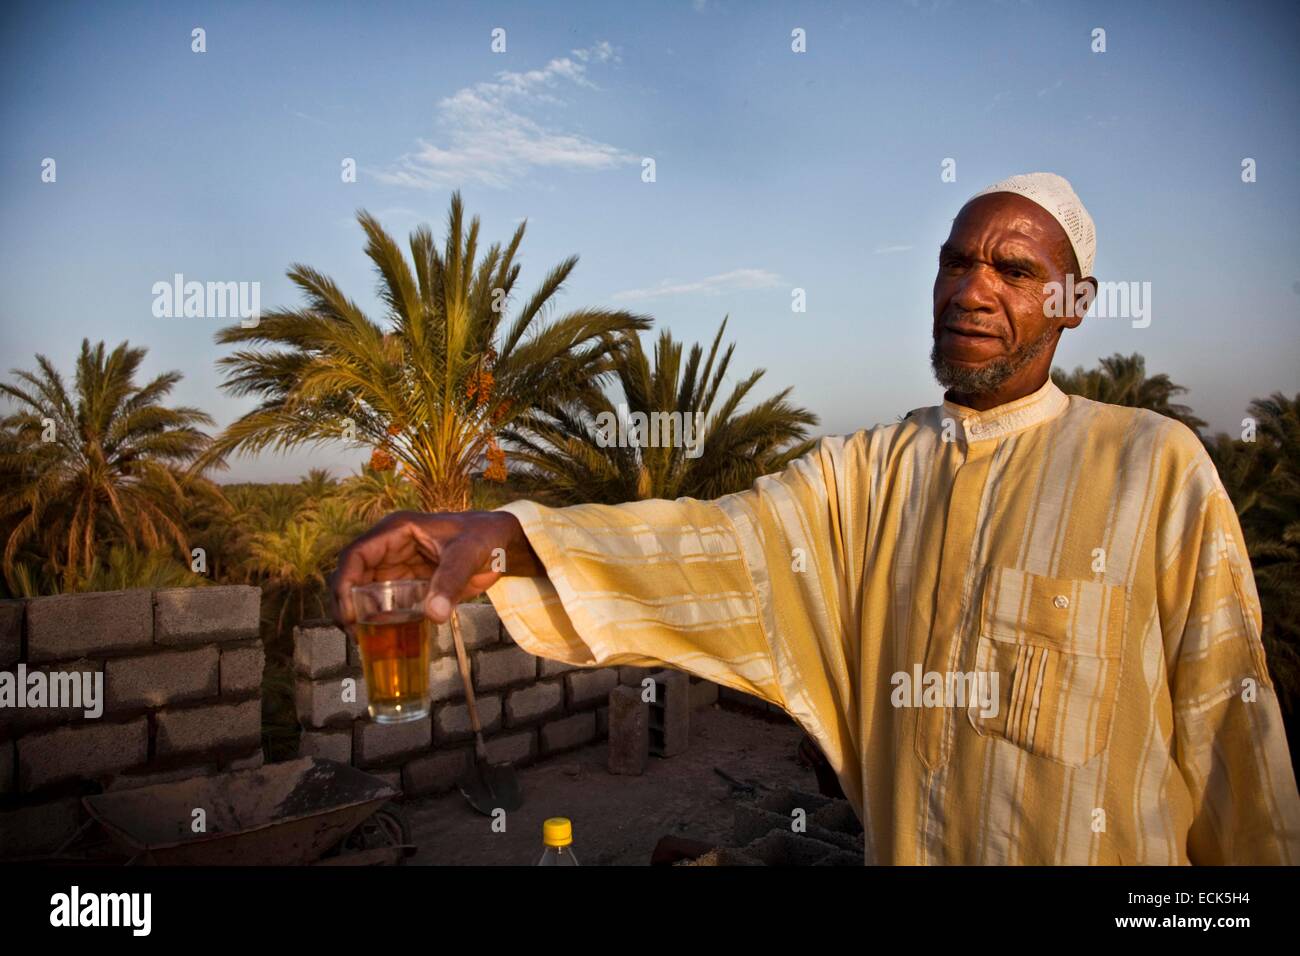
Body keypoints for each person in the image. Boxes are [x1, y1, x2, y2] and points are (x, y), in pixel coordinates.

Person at [330, 172, 1300, 865]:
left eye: (1011, 269)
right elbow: (718, 547)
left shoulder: (1151, 464)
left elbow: (1231, 738)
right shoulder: (868, 472)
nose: (971, 289)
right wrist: (508, 533)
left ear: (1073, 302)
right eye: (955, 263)